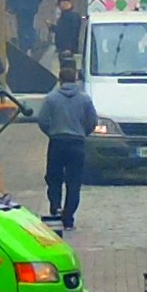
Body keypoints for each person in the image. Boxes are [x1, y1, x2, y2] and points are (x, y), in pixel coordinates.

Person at [34, 65, 96, 230]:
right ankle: (68, 218)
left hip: (57, 142)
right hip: (77, 143)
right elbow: (92, 122)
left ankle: (55, 208)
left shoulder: (51, 98)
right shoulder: (85, 99)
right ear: (75, 79)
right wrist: (83, 133)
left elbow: (42, 120)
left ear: (60, 80)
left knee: (54, 178)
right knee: (74, 181)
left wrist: (52, 132)